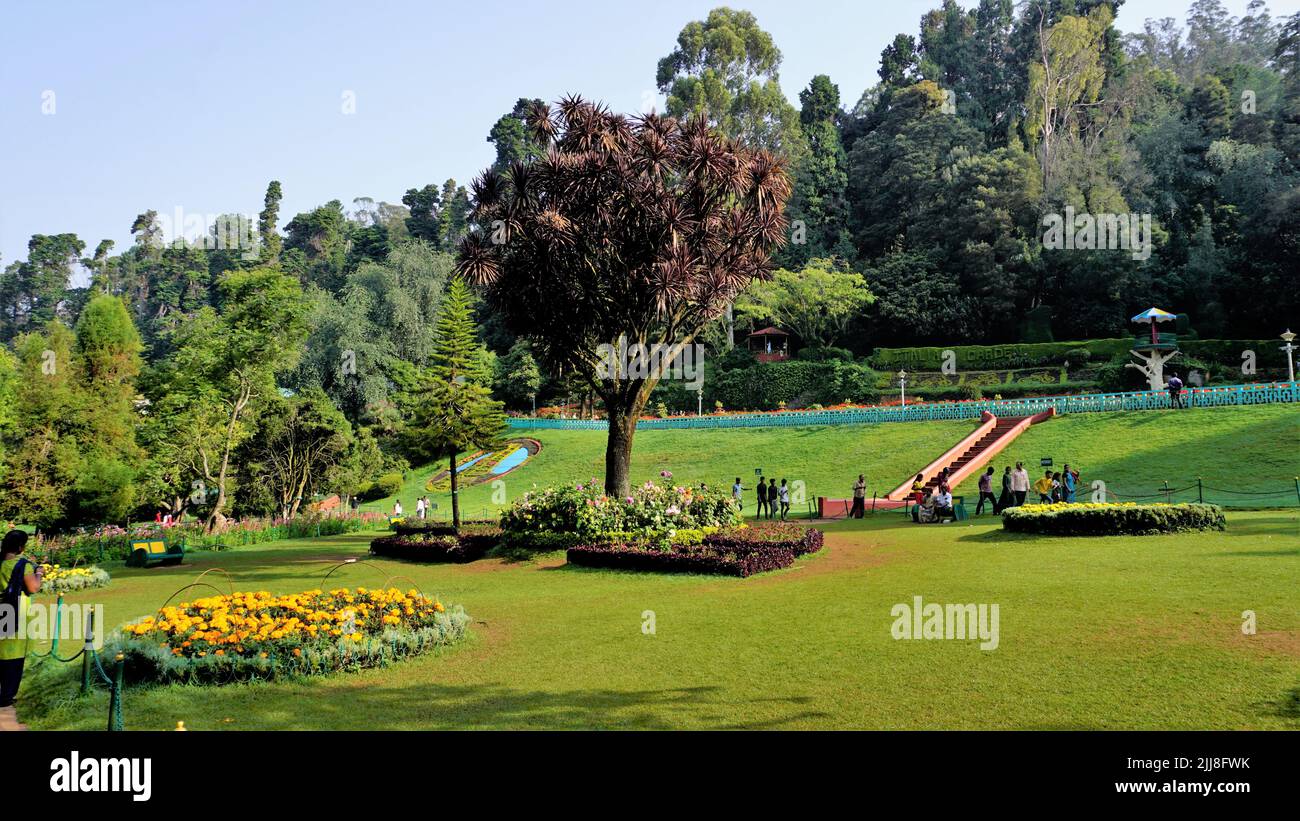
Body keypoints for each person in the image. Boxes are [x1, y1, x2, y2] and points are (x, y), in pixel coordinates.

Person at [1, 530, 42, 729]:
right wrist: (39, 573)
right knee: (13, 656)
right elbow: (33, 587)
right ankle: (6, 696)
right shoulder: (23, 565)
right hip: (15, 615)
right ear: (19, 547)